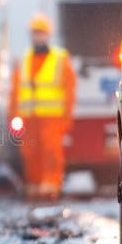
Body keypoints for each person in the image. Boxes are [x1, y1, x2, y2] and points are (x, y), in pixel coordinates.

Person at [9, 13, 76, 200]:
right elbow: (15, 93)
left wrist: (66, 117)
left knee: (51, 153)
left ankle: (50, 188)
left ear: (48, 35)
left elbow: (69, 90)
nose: (38, 37)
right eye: (35, 33)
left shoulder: (60, 59)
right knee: (30, 153)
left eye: (41, 33)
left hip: (52, 119)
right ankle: (34, 189)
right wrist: (13, 117)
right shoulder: (23, 61)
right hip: (28, 119)